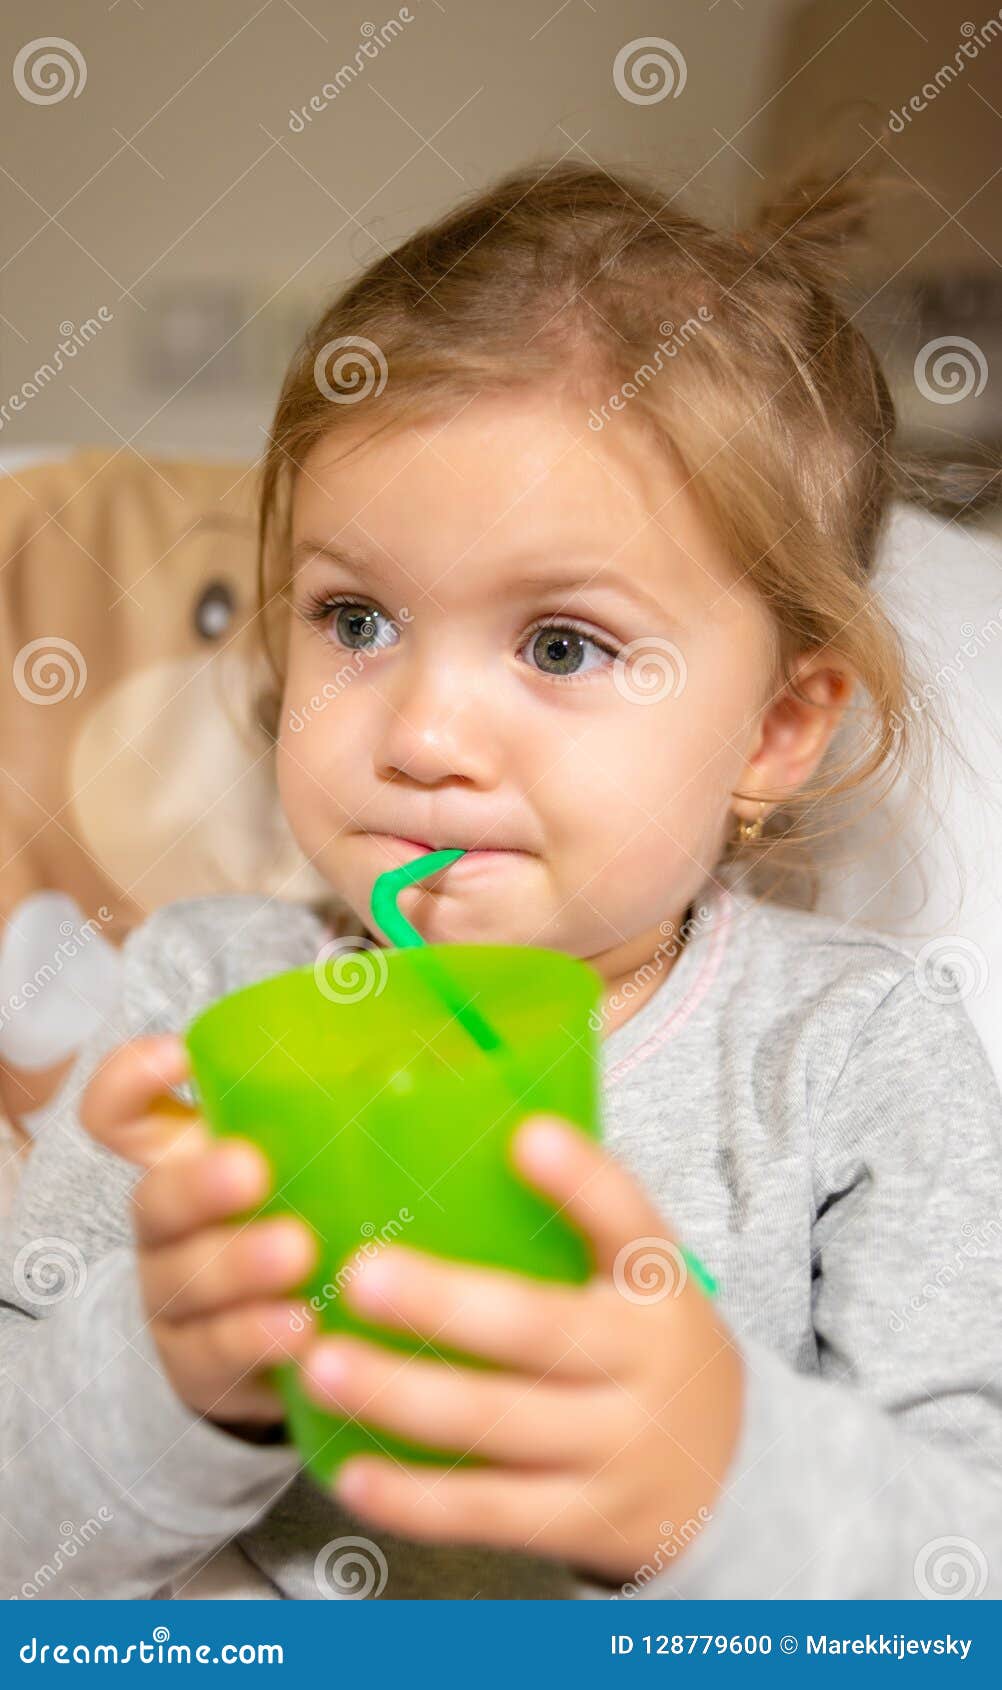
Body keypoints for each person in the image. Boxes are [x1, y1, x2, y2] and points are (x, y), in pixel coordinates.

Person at [2, 155, 1001, 1601]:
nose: (417, 735)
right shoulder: (202, 993)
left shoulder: (844, 1052)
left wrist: (720, 1476)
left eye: (558, 646)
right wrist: (168, 1376)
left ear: (776, 729)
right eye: (356, 618)